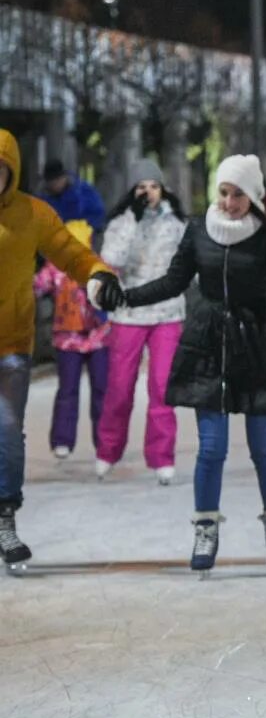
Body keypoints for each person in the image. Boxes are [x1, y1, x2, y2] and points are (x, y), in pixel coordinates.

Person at [121, 156, 266, 576]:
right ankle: (205, 528)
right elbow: (174, 281)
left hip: (258, 344)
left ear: (254, 196)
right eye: (224, 193)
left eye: (239, 195)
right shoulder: (199, 230)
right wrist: (127, 297)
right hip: (209, 345)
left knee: (265, 447)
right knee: (211, 448)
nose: (229, 203)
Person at [0, 129, 122, 570]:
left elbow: (71, 253)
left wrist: (99, 274)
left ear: (11, 172)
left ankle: (5, 522)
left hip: (11, 342)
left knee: (8, 433)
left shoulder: (33, 214)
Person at [94, 159, 189, 484]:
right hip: (128, 313)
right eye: (141, 186)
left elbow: (188, 266)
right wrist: (133, 220)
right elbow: (111, 262)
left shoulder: (176, 223)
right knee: (120, 387)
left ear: (162, 189)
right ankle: (108, 450)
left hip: (167, 313)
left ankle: (162, 457)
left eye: (153, 185)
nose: (147, 191)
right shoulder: (121, 223)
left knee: (163, 387)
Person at [34, 221, 111, 461]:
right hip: (67, 339)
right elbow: (36, 287)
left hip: (98, 337)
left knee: (101, 389)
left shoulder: (99, 267)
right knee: (68, 390)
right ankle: (62, 440)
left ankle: (104, 441)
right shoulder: (55, 268)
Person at [38, 157, 108, 232]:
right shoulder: (43, 198)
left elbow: (97, 214)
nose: (55, 186)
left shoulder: (81, 191)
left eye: (57, 181)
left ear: (64, 177)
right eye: (51, 183)